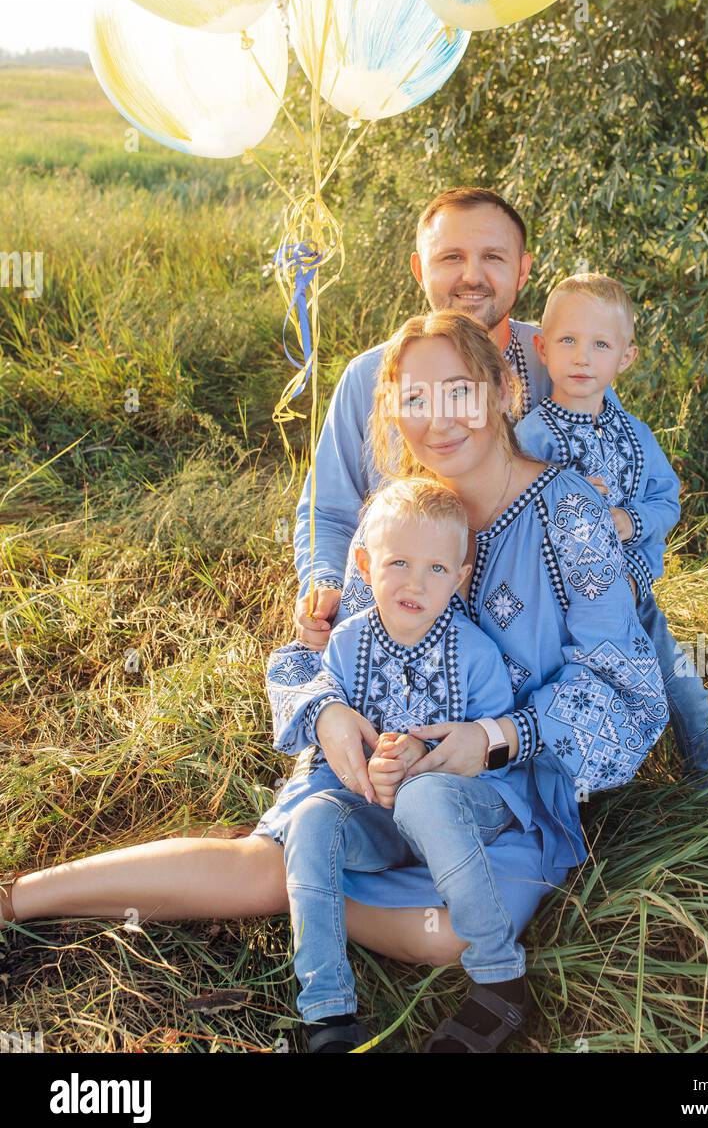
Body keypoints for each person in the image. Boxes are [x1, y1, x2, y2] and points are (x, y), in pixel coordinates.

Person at [2, 311, 667, 1054]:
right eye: (413, 400)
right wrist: (326, 717)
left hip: (502, 780)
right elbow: (320, 661)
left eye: (458, 393)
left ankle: (300, 882)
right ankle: (19, 898)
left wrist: (495, 736)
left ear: (504, 389)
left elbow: (624, 681)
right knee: (268, 864)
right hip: (371, 772)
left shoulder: (568, 511)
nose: (437, 419)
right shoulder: (402, 514)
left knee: (448, 934)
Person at [263, 479, 535, 1052]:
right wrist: (370, 763)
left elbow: (492, 762)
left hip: (457, 811)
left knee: (422, 796)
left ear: (460, 579)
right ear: (364, 563)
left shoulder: (477, 654)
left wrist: (425, 762)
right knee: (314, 818)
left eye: (438, 569)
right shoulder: (345, 643)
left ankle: (501, 980)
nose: (416, 582)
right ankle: (328, 1014)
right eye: (400, 562)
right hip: (377, 814)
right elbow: (314, 714)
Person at [293, 186, 621, 645]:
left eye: (492, 256)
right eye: (450, 257)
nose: (472, 276)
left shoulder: (565, 363)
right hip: (405, 630)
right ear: (418, 268)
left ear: (523, 269)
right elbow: (328, 509)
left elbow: (628, 487)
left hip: (553, 636)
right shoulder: (368, 376)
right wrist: (324, 583)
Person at [514, 273, 708, 794]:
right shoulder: (532, 436)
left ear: (624, 359)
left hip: (635, 599)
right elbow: (512, 516)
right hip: (563, 610)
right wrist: (565, 498)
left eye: (600, 344)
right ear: (542, 348)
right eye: (568, 340)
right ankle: (575, 802)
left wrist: (628, 522)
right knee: (573, 701)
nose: (582, 357)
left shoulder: (636, 435)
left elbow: (666, 499)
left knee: (688, 692)